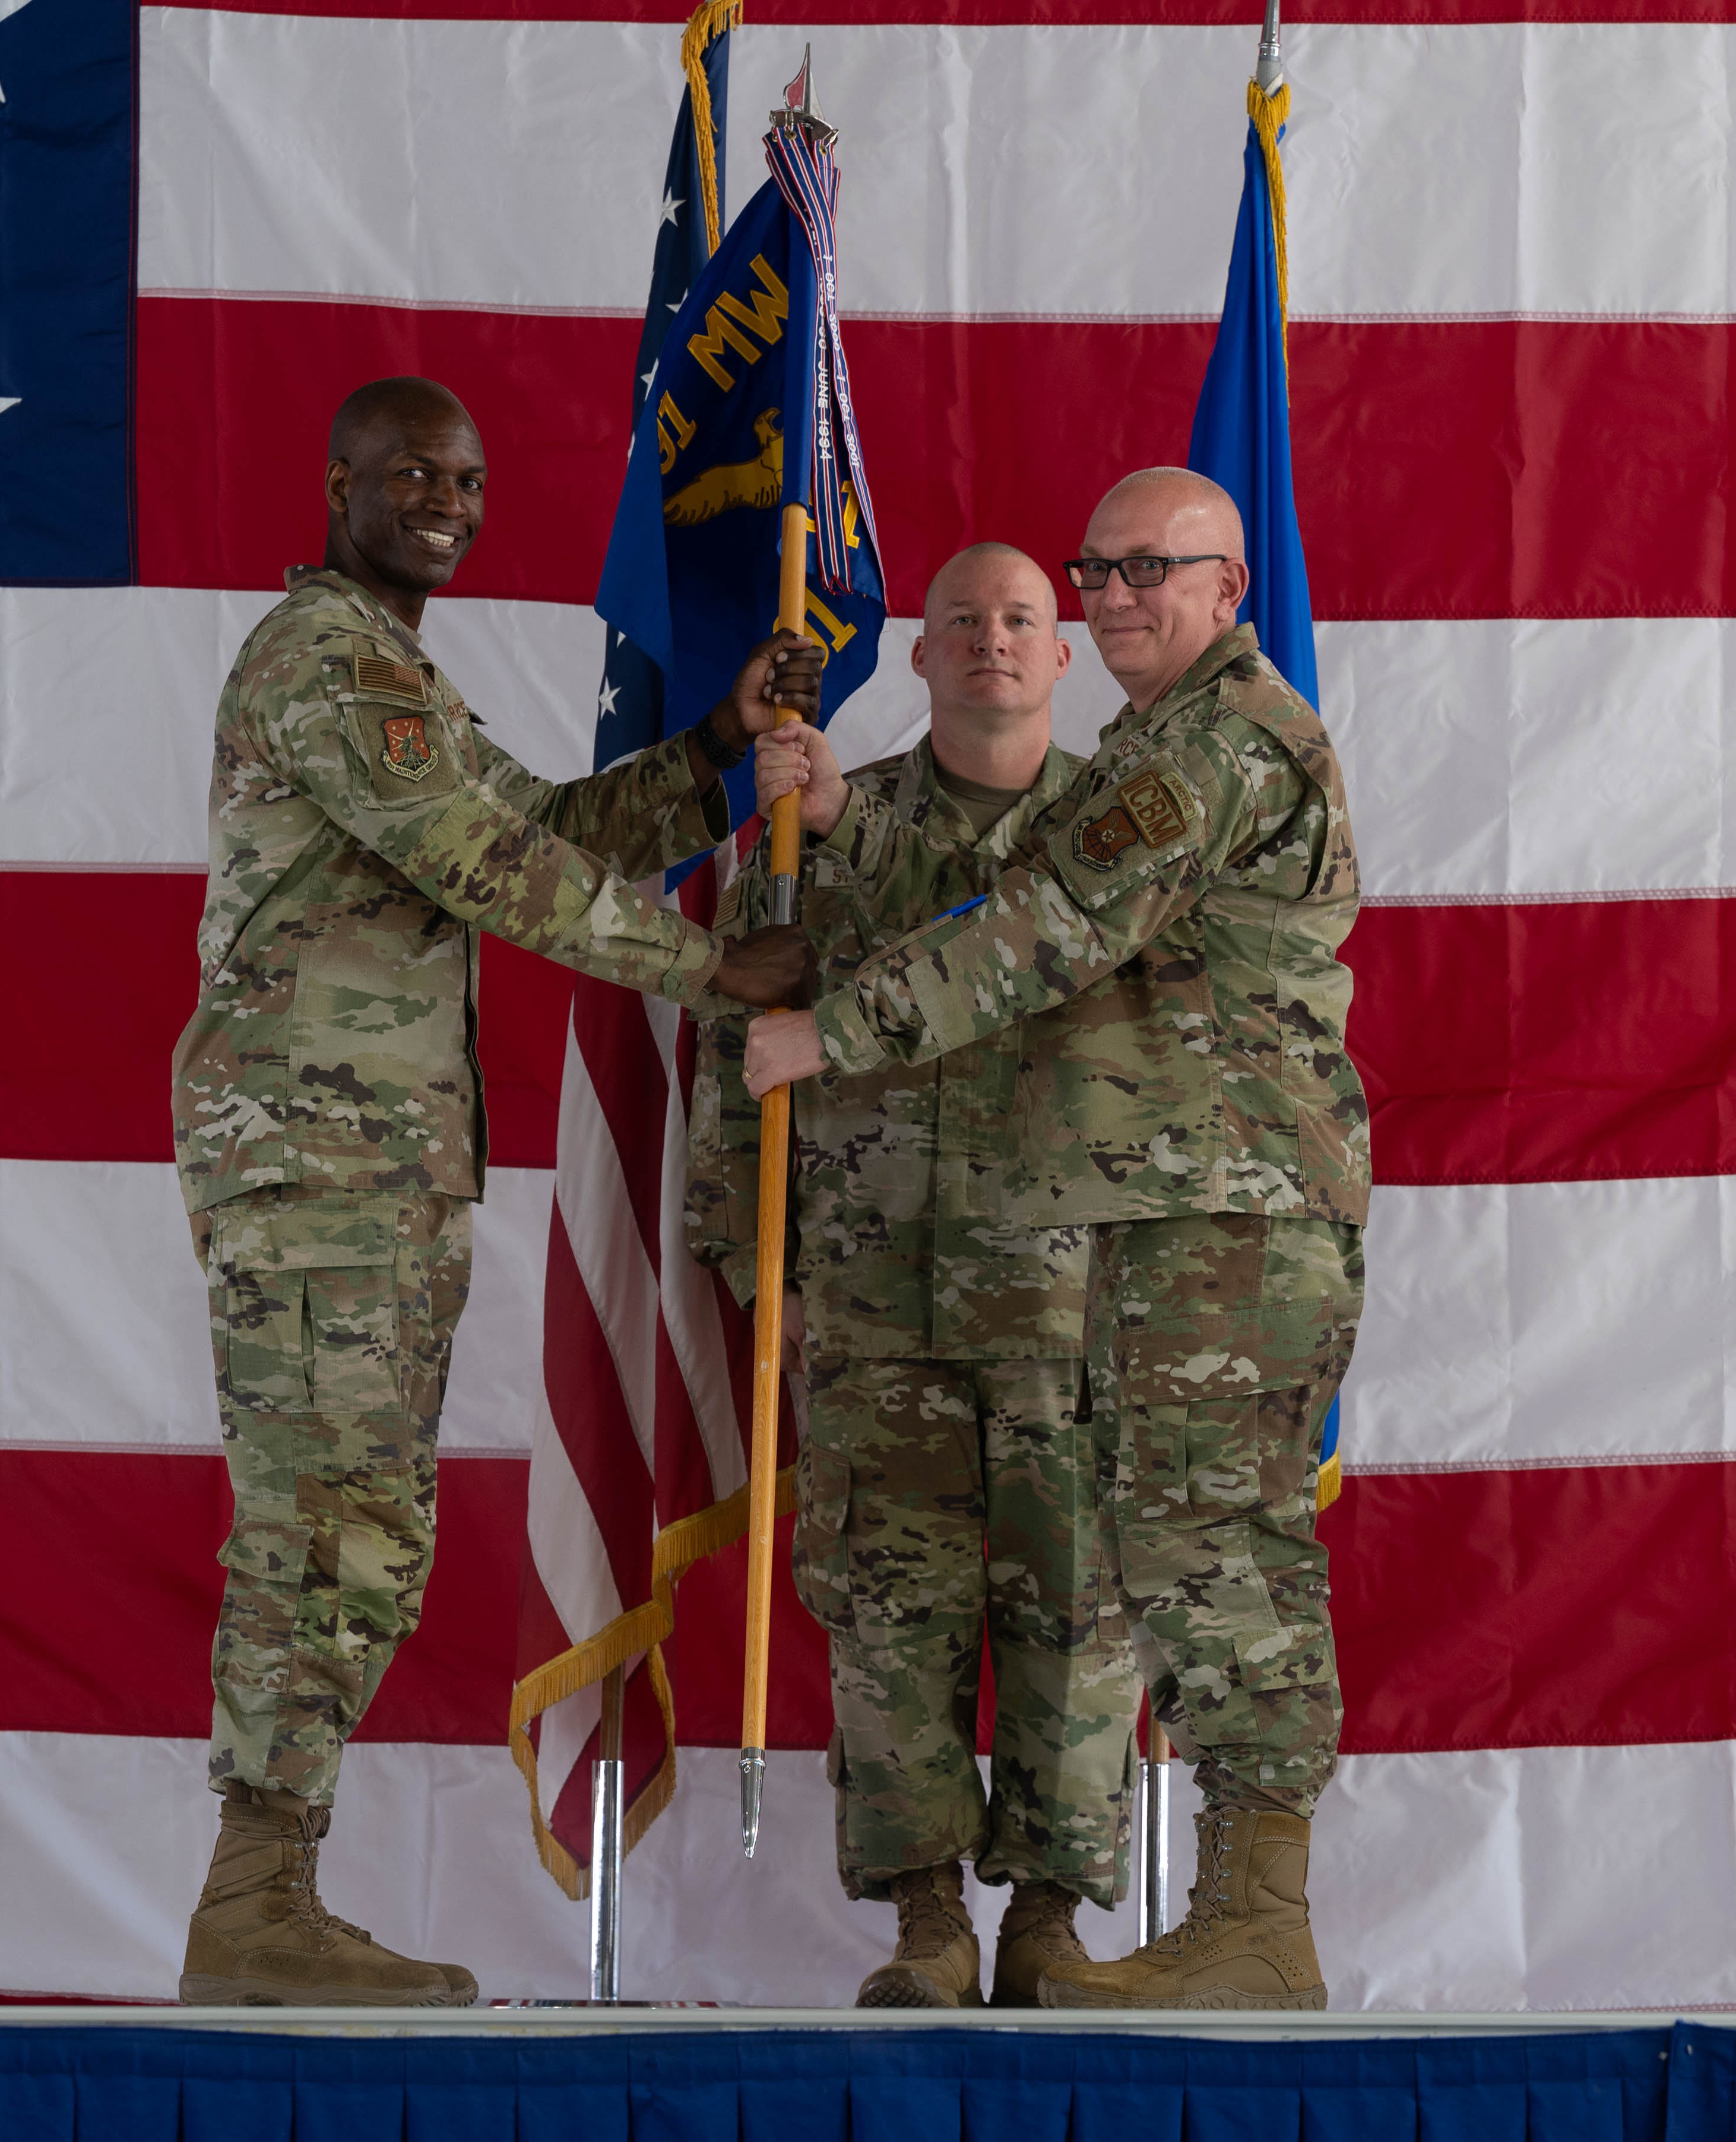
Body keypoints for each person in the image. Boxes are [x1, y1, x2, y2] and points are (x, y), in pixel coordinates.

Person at [170, 375, 818, 2007]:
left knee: (361, 1533)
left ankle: (268, 1890)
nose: (439, 495)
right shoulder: (323, 661)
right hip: (313, 1167)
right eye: (403, 471)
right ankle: (251, 1902)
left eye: (461, 473)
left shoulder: (396, 677)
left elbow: (536, 826)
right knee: (326, 1528)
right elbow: (484, 866)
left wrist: (718, 751)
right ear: (334, 484)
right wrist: (714, 967)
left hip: (369, 1172)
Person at [745, 470, 1369, 2011]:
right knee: (1183, 1548)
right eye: (1097, 568)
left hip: (1221, 1203)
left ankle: (1252, 1926)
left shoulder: (1212, 740)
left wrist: (833, 1029)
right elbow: (1019, 904)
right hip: (1150, 1209)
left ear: (1227, 586)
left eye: (1146, 570)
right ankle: (1229, 1921)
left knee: (1209, 1555)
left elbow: (1041, 932)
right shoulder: (1150, 745)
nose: (1111, 596)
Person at [689, 543, 1139, 2008]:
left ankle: (1051, 1923)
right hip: (874, 1295)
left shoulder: (1126, 830)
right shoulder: (818, 831)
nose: (991, 643)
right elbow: (735, 1041)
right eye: (960, 622)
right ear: (920, 654)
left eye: (1020, 620)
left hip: (1078, 1310)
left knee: (1077, 1616)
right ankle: (927, 1921)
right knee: (894, 1622)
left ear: (1061, 657)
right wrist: (753, 1264)